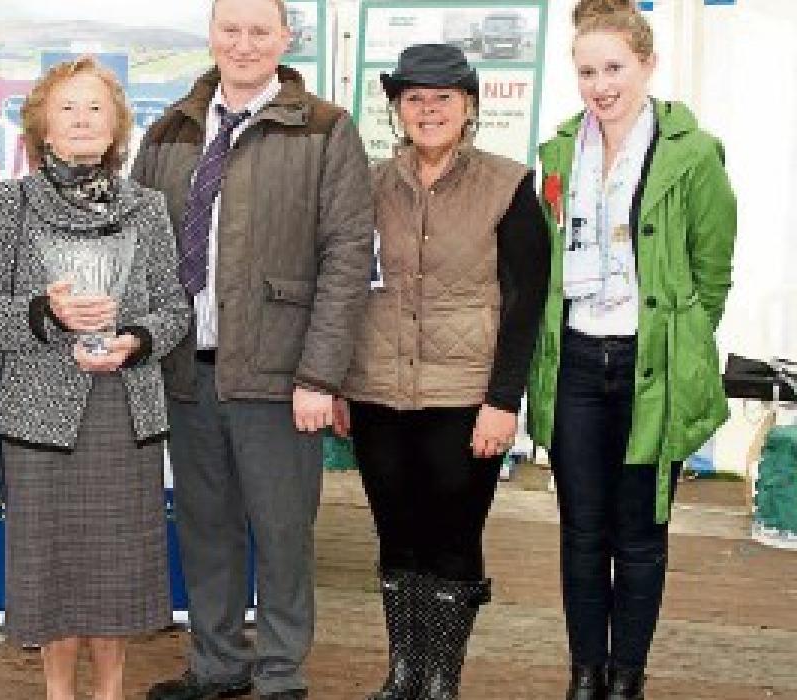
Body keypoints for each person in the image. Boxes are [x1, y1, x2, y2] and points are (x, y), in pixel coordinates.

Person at [132, 0, 374, 697]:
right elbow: (143, 249)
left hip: (281, 376)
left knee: (282, 532)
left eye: (259, 31)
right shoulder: (171, 131)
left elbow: (347, 256)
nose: (243, 44)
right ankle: (216, 664)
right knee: (206, 529)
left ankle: (278, 671)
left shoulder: (326, 130)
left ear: (285, 39)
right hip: (187, 371)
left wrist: (320, 375)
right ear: (211, 35)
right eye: (230, 29)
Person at [0, 56, 190, 700]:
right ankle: (60, 694)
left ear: (117, 125)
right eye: (68, 108)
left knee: (114, 569)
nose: (82, 119)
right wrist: (49, 315)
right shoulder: (10, 202)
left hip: (125, 410)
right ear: (42, 127)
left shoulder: (148, 207)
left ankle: (109, 692)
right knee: (52, 574)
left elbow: (173, 309)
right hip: (41, 422)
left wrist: (134, 340)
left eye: (95, 108)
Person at [525, 2, 737, 698]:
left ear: (648, 64)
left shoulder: (694, 153)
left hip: (655, 370)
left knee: (640, 534)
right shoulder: (558, 152)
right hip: (580, 364)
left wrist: (680, 345)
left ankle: (627, 680)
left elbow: (712, 274)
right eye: (587, 71)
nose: (600, 84)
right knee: (582, 533)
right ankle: (586, 673)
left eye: (614, 67)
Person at [337, 44, 550, 700]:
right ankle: (402, 672)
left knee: (453, 537)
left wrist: (503, 400)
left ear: (471, 107)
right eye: (414, 99)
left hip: (465, 397)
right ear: (398, 110)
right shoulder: (366, 184)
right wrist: (340, 382)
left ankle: (440, 680)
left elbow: (525, 302)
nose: (428, 110)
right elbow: (344, 284)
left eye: (443, 98)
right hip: (377, 392)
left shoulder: (509, 185)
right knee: (396, 534)